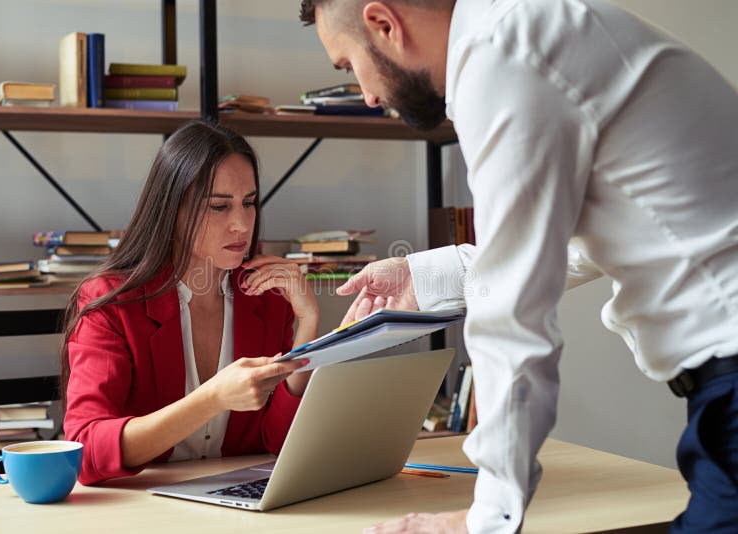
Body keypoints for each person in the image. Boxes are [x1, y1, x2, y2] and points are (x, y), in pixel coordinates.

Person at [300, 0, 738, 532]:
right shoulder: (521, 32)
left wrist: (484, 519)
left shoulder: (500, 54)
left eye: (349, 67)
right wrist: (423, 276)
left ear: (383, 24)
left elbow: (512, 312)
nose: (367, 96)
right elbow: (570, 239)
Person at [62, 121, 318, 485]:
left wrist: (307, 326)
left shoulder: (267, 298)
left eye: (249, 203)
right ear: (172, 209)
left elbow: (275, 441)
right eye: (219, 207)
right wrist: (211, 399)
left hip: (237, 502)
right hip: (141, 505)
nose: (241, 225)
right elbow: (84, 448)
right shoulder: (111, 303)